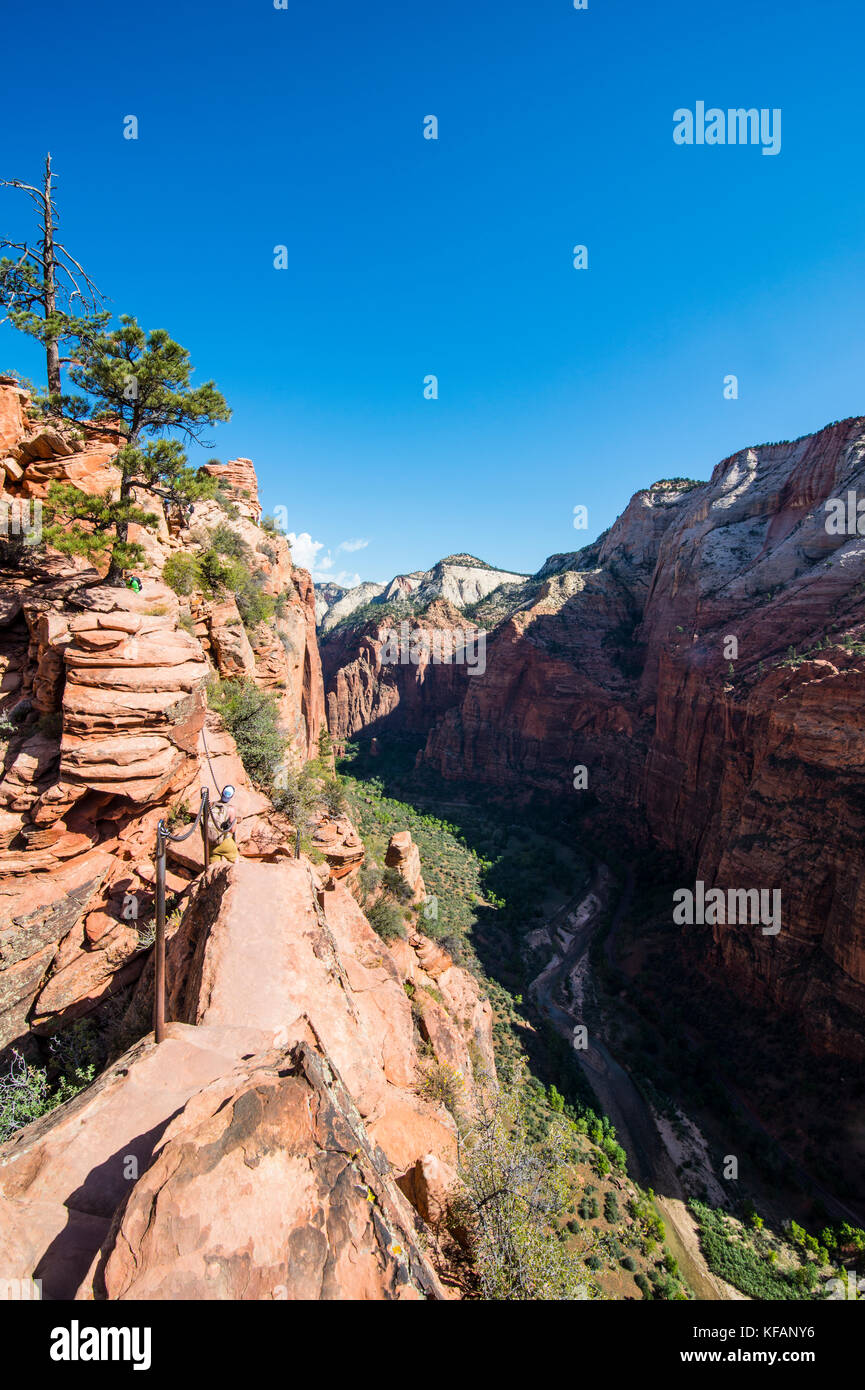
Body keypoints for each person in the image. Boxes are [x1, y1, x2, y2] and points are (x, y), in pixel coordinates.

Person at [207, 785, 239, 863]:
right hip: (224, 841)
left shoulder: (211, 805)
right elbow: (232, 830)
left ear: (222, 793)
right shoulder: (231, 809)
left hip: (211, 841)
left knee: (213, 867)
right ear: (231, 796)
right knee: (236, 859)